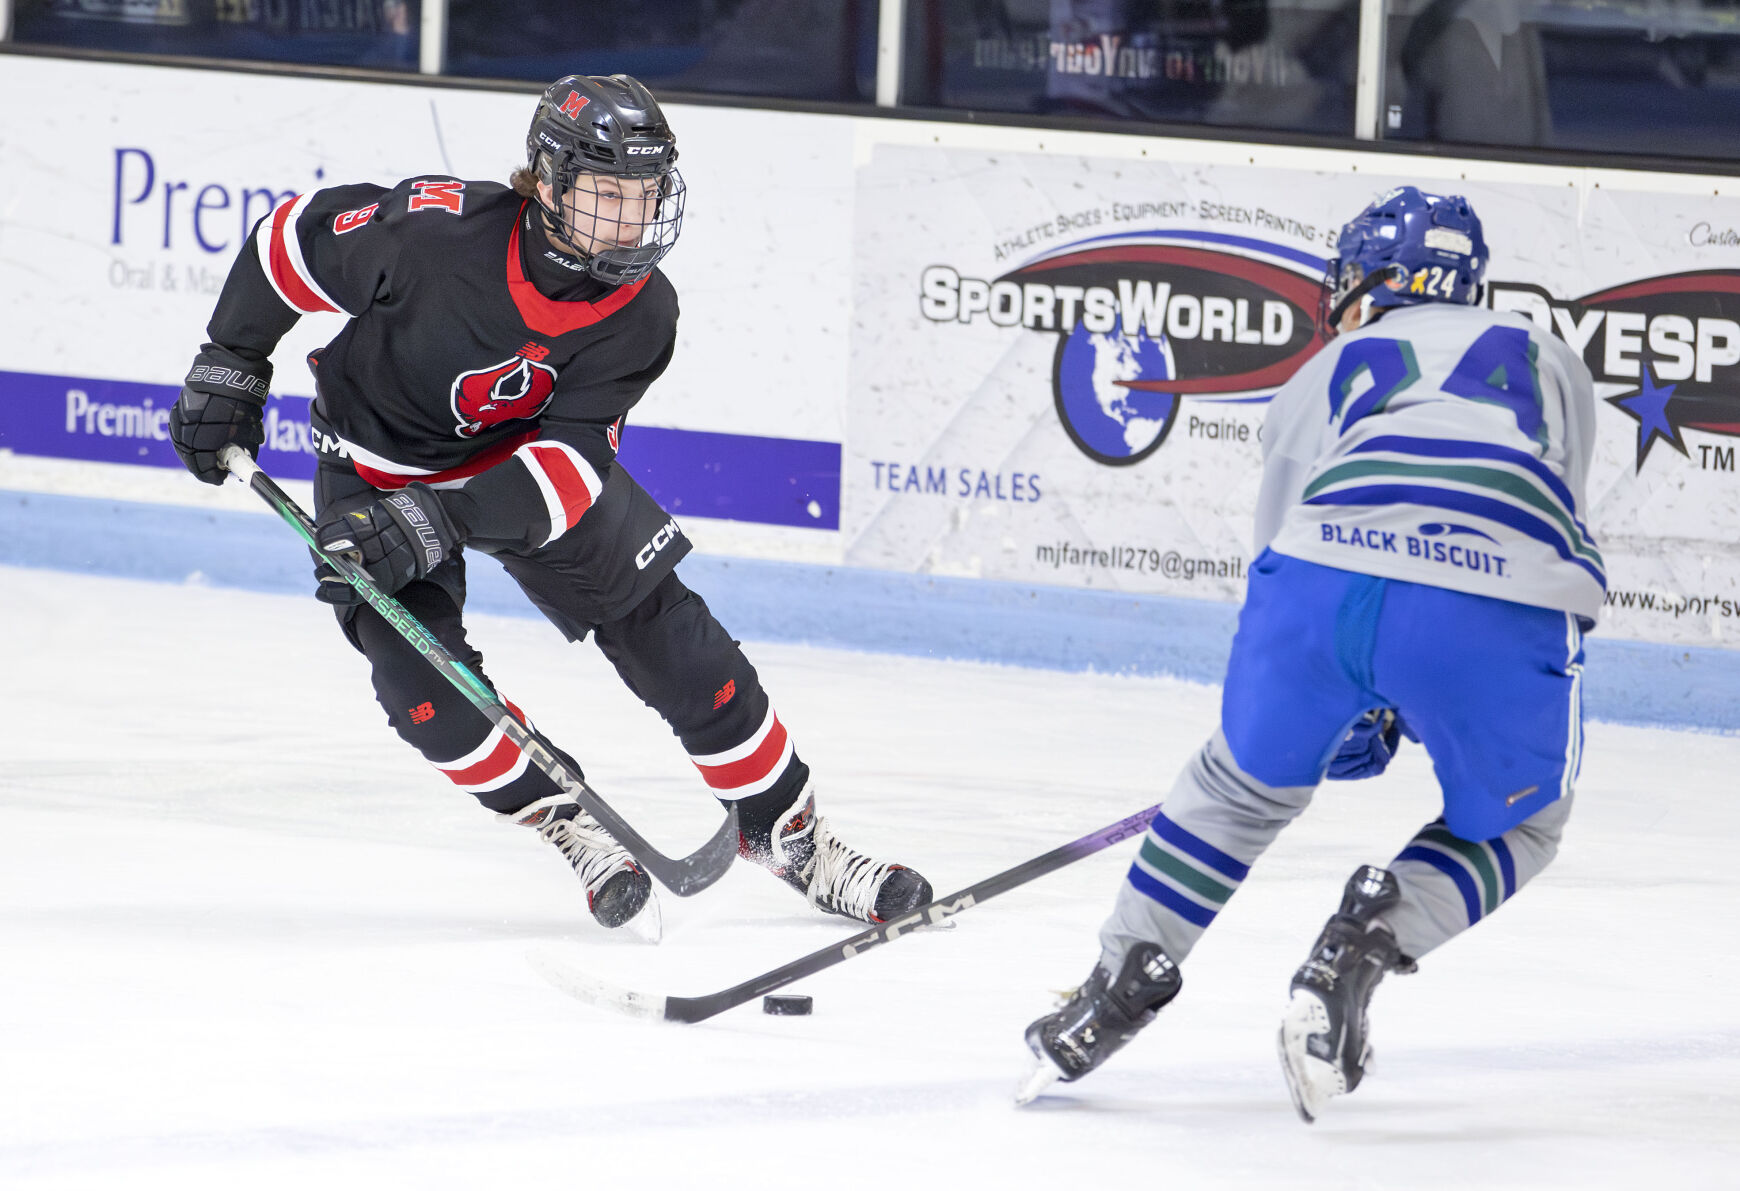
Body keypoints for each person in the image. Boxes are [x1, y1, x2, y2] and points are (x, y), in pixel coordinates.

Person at [167, 73, 932, 936]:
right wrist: (231, 361)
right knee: (422, 687)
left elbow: (572, 463)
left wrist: (447, 518)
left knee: (673, 637)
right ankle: (563, 816)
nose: (628, 220)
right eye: (606, 193)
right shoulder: (433, 236)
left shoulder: (644, 311)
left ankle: (793, 835)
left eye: (644, 196)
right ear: (550, 180)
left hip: (517, 473)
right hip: (375, 467)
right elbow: (286, 247)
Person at [1018, 186, 1601, 1121]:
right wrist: (1417, 685)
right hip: (1496, 594)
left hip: (1323, 584)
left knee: (1239, 787)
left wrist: (1348, 695)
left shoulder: (1323, 368)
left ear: (1375, 283)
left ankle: (1117, 979)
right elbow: (1544, 517)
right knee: (1522, 824)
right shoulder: (1551, 360)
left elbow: (1280, 549)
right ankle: (1370, 932)